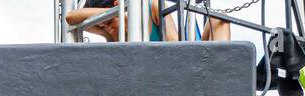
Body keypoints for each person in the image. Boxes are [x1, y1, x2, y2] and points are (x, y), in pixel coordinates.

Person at [64, 1, 231, 42]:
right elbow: (70, 17)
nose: (108, 31)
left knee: (218, 20)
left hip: (185, 64)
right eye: (102, 27)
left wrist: (119, 12)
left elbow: (175, 44)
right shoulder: (114, 34)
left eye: (108, 23)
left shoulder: (152, 9)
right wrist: (111, 15)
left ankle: (226, 82)